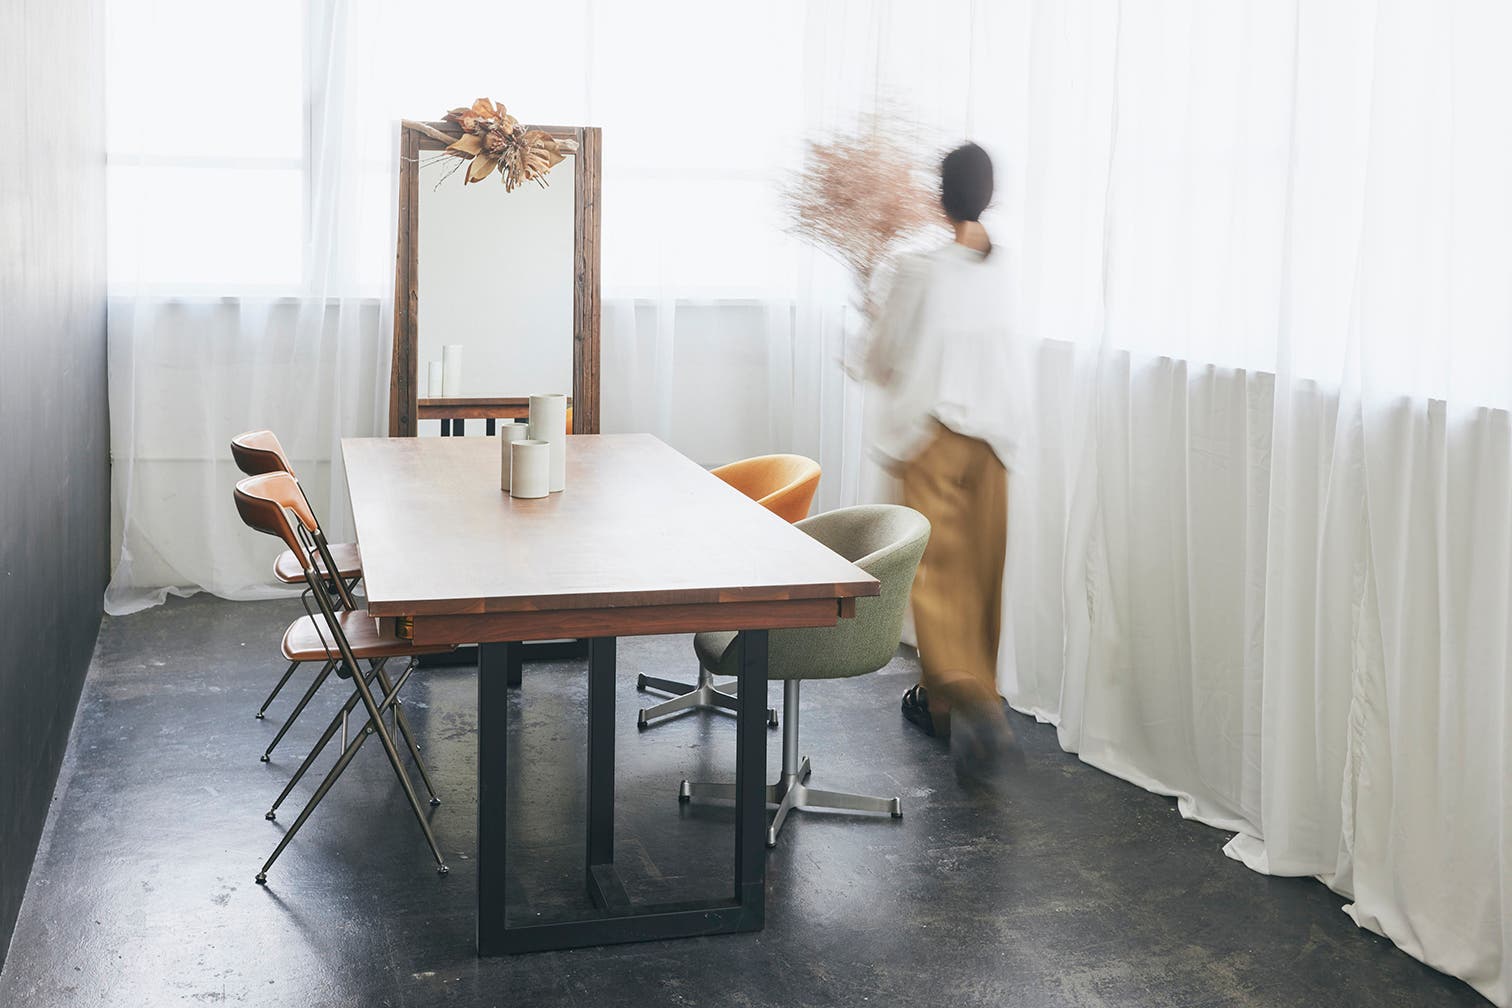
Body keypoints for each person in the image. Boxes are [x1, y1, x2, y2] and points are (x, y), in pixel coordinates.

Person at [864, 141, 1022, 775]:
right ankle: (957, 703)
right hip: (997, 444)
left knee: (935, 581)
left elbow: (880, 359)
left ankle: (962, 700)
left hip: (934, 438)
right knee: (982, 581)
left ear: (939, 197)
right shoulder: (1007, 271)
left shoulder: (919, 272)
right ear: (991, 194)